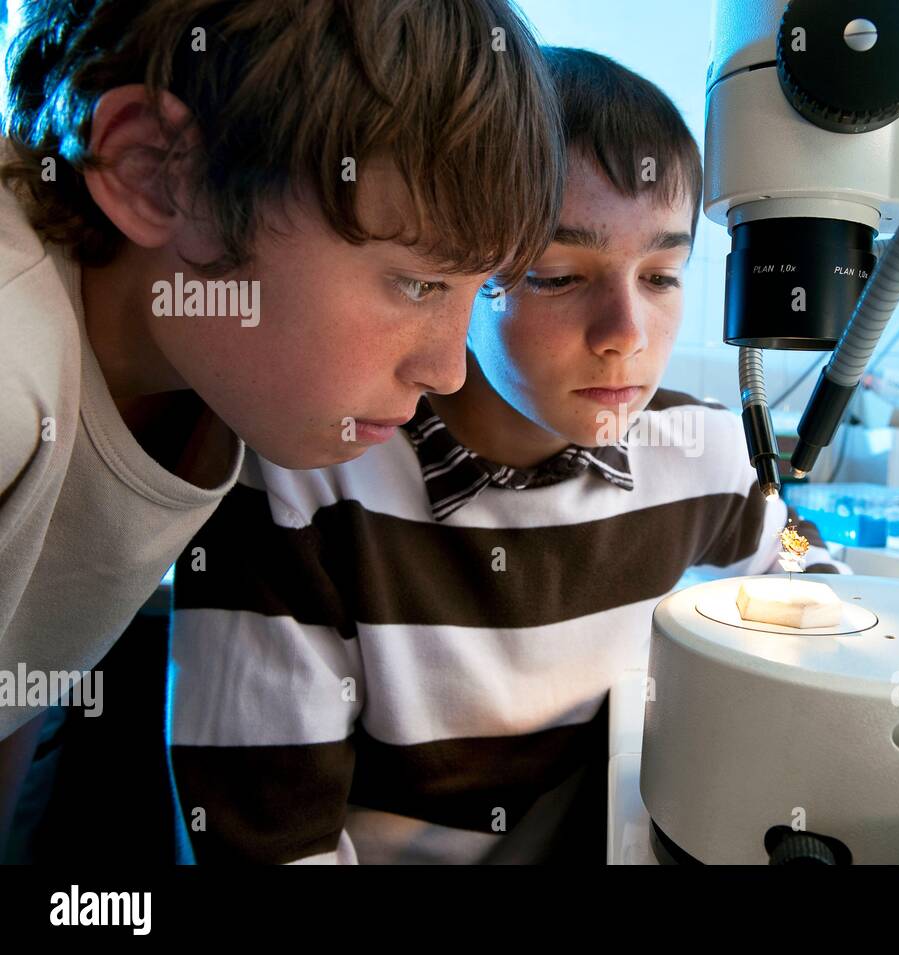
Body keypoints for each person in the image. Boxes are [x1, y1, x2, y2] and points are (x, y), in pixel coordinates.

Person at [168, 47, 845, 864]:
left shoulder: (705, 453)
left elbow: (811, 574)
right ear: (461, 266)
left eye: (662, 276)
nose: (625, 334)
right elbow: (270, 848)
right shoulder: (305, 479)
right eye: (559, 276)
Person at [0, 0, 563, 846]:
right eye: (415, 282)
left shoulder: (200, 366)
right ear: (155, 170)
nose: (449, 370)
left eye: (476, 288)